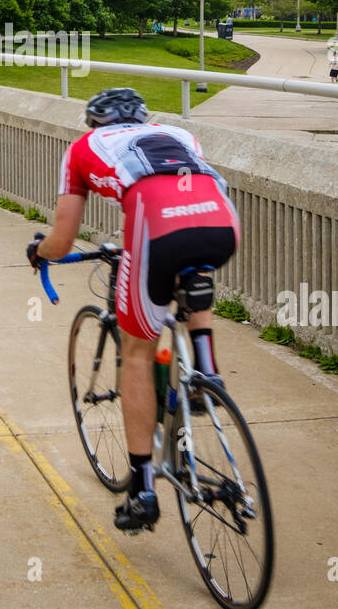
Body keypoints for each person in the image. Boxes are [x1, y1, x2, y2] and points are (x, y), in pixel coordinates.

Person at [26, 88, 240, 535]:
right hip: (221, 221)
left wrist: (40, 251)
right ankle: (206, 373)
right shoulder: (178, 133)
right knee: (192, 272)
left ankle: (142, 488)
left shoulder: (83, 149)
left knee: (139, 353)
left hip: (156, 225)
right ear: (144, 118)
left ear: (93, 122)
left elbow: (62, 241)